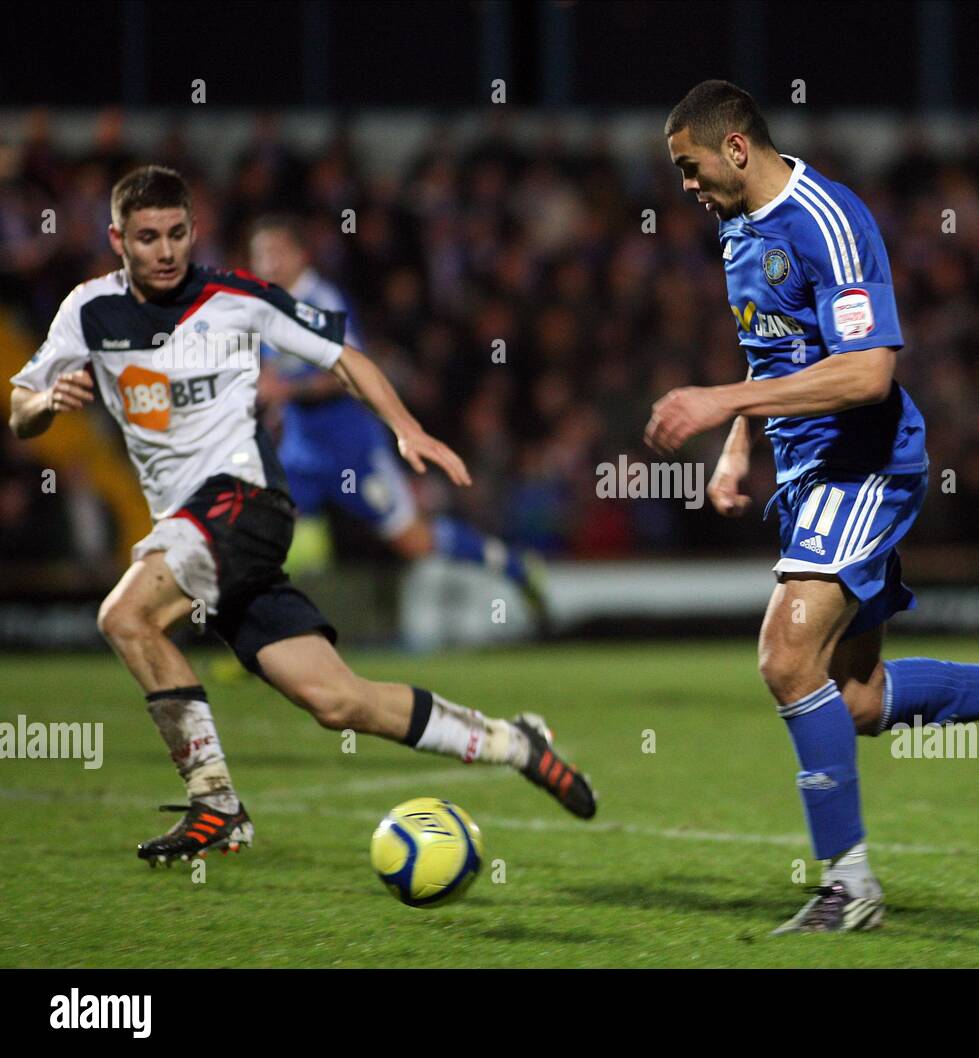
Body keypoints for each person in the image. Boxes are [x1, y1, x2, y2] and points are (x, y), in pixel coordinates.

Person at [645, 81, 979, 935]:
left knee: (783, 654)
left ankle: (849, 888)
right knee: (858, 699)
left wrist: (721, 404)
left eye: (689, 167)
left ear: (733, 148)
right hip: (808, 473)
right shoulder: (735, 229)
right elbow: (774, 344)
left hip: (863, 464)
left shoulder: (829, 219)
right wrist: (737, 443)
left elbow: (869, 370)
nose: (684, 186)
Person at [8, 165, 595, 867]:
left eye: (176, 234)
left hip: (244, 501)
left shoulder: (239, 298)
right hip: (196, 533)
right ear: (116, 239)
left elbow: (346, 360)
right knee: (340, 703)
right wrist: (47, 404)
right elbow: (19, 410)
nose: (164, 251)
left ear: (193, 231)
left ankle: (215, 803)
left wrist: (408, 429)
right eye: (146, 237)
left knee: (123, 617)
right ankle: (513, 742)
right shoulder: (87, 311)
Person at [247, 216, 545, 610]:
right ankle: (259, 639)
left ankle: (509, 563)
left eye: (277, 252)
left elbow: (348, 372)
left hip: (351, 448)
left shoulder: (321, 300)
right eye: (261, 255)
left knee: (414, 542)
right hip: (300, 453)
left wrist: (287, 389)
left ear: (302, 255)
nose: (268, 263)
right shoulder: (262, 305)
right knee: (260, 537)